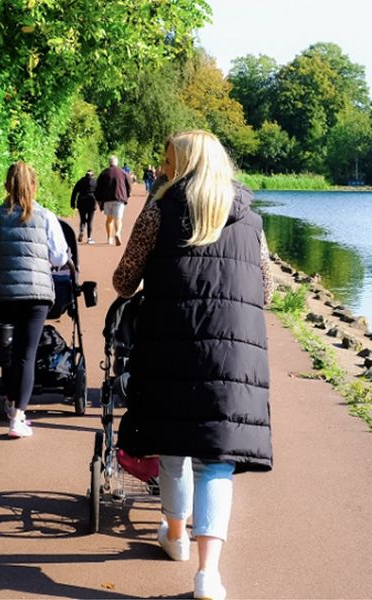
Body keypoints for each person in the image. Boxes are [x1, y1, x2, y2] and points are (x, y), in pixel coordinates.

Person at [113, 130, 274, 600]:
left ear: (181, 165)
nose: (161, 169)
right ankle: (209, 575)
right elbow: (266, 291)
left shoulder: (158, 213)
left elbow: (124, 281)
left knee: (172, 445)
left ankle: (175, 535)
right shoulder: (252, 220)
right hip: (234, 355)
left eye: (167, 161)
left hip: (169, 344)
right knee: (215, 461)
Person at [0, 161, 70, 438]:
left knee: (6, 351)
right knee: (26, 355)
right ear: (34, 186)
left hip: (3, 292)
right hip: (36, 294)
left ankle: (8, 402)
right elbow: (59, 257)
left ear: (6, 186)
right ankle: (18, 417)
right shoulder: (46, 217)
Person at [95, 156, 130, 245]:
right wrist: (127, 195)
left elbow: (98, 188)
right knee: (118, 219)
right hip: (120, 198)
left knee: (109, 219)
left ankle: (109, 238)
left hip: (107, 199)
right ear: (117, 163)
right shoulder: (123, 172)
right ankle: (117, 233)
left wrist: (99, 201)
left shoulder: (104, 173)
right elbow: (128, 185)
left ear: (109, 163)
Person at [71, 169, 97, 244]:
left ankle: (81, 231)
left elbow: (74, 192)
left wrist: (72, 203)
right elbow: (98, 192)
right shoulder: (94, 182)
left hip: (81, 201)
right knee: (90, 221)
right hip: (91, 202)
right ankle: (89, 238)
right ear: (93, 175)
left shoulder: (81, 181)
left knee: (82, 220)